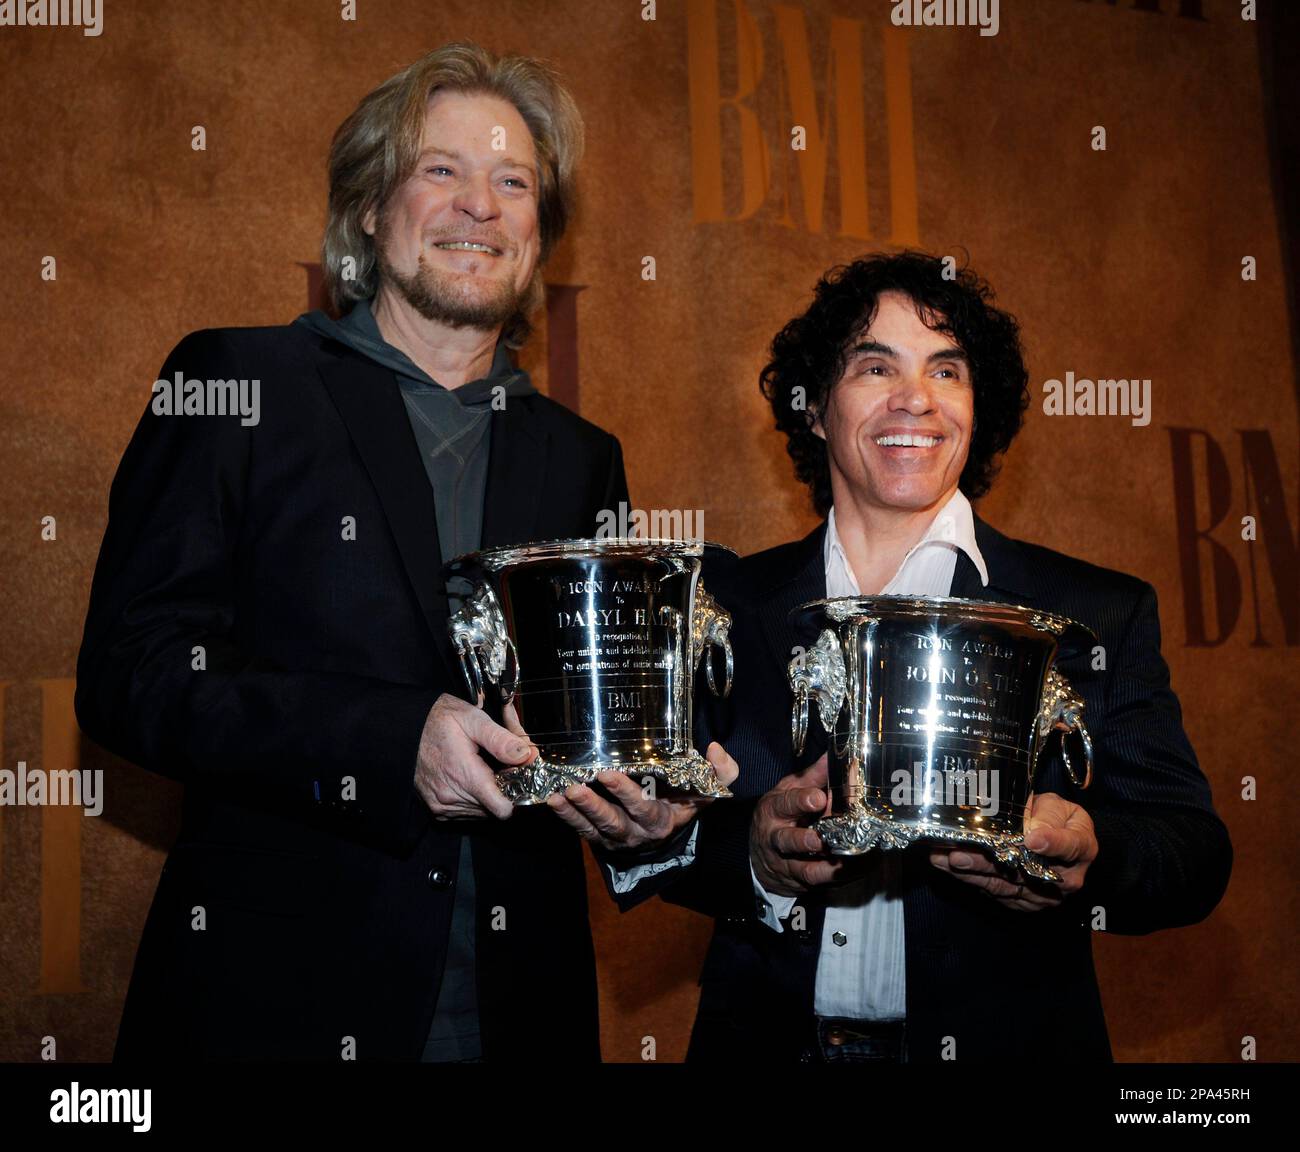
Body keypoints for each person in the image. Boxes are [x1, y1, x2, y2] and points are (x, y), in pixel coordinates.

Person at [75, 41, 720, 1063]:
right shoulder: (237, 382)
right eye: (441, 170)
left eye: (515, 182)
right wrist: (388, 739)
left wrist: (653, 814)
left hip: (520, 1013)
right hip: (269, 1007)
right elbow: (132, 674)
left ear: (540, 231)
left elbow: (596, 729)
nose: (481, 205)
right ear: (371, 210)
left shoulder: (584, 459)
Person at [636, 251, 1232, 1063]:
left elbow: (1192, 853)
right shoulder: (725, 605)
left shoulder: (1096, 611)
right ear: (814, 409)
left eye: (946, 370)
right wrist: (754, 856)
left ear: (976, 408)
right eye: (875, 365)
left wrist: (1093, 851)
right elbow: (651, 837)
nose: (914, 397)